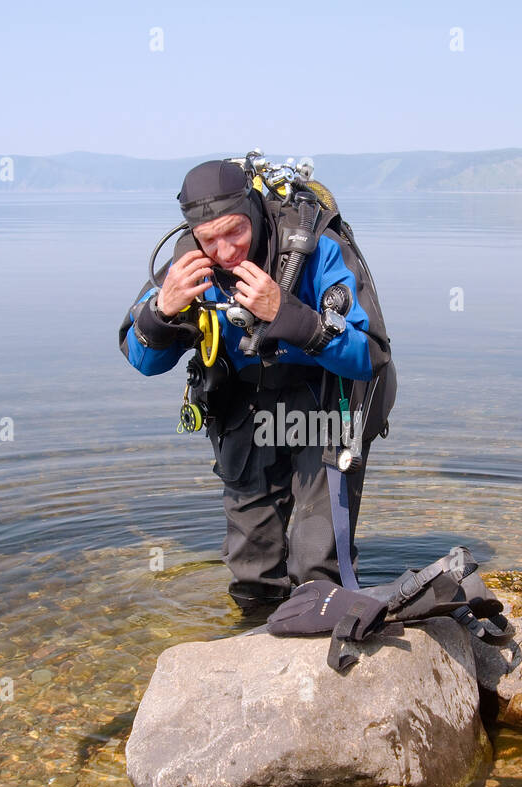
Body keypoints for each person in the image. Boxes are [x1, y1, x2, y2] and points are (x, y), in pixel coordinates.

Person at [118, 158, 396, 610]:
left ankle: (326, 656)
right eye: (211, 239)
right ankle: (257, 649)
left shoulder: (314, 246)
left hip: (329, 395)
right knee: (252, 571)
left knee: (315, 564)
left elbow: (370, 354)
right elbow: (142, 358)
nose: (226, 251)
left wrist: (287, 313)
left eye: (236, 232)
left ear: (253, 209)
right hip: (246, 401)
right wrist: (162, 312)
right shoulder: (189, 263)